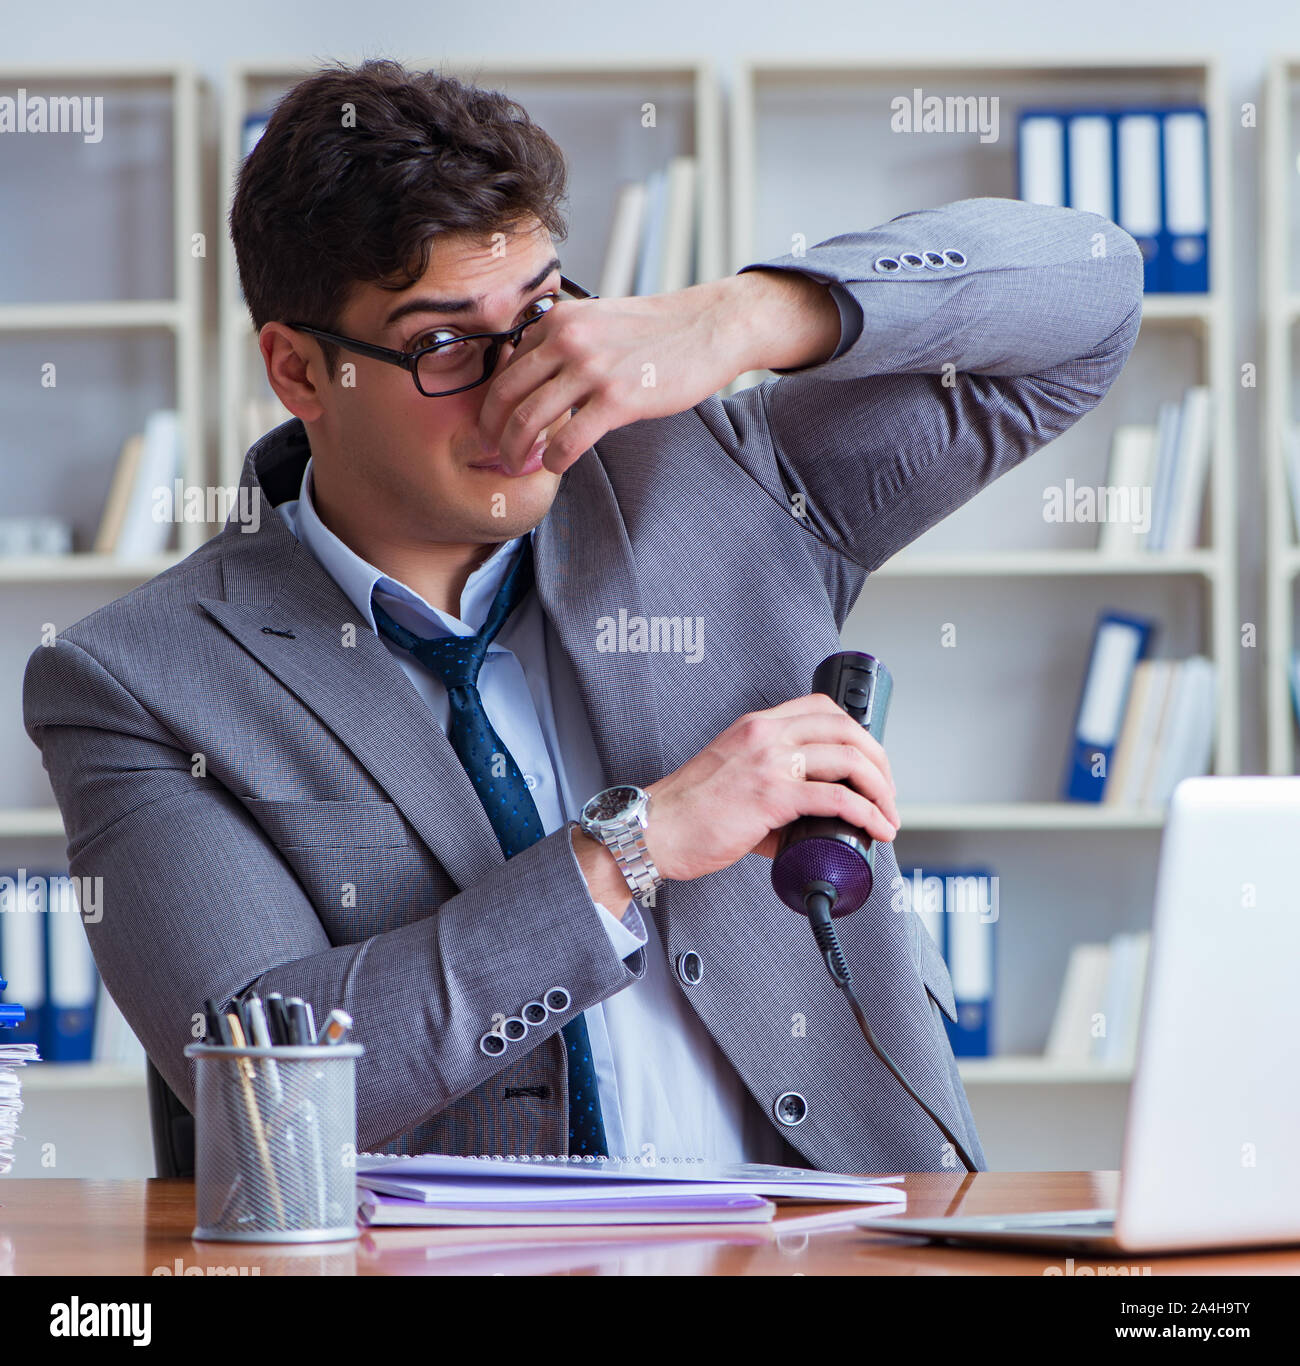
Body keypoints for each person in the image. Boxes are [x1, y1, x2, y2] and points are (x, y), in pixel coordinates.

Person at [23, 57, 1143, 1171]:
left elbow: (1089, 293)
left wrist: (739, 318)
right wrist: (628, 851)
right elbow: (265, 1087)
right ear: (300, 372)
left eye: (544, 311)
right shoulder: (140, 680)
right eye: (445, 344)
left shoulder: (718, 477)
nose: (527, 382)